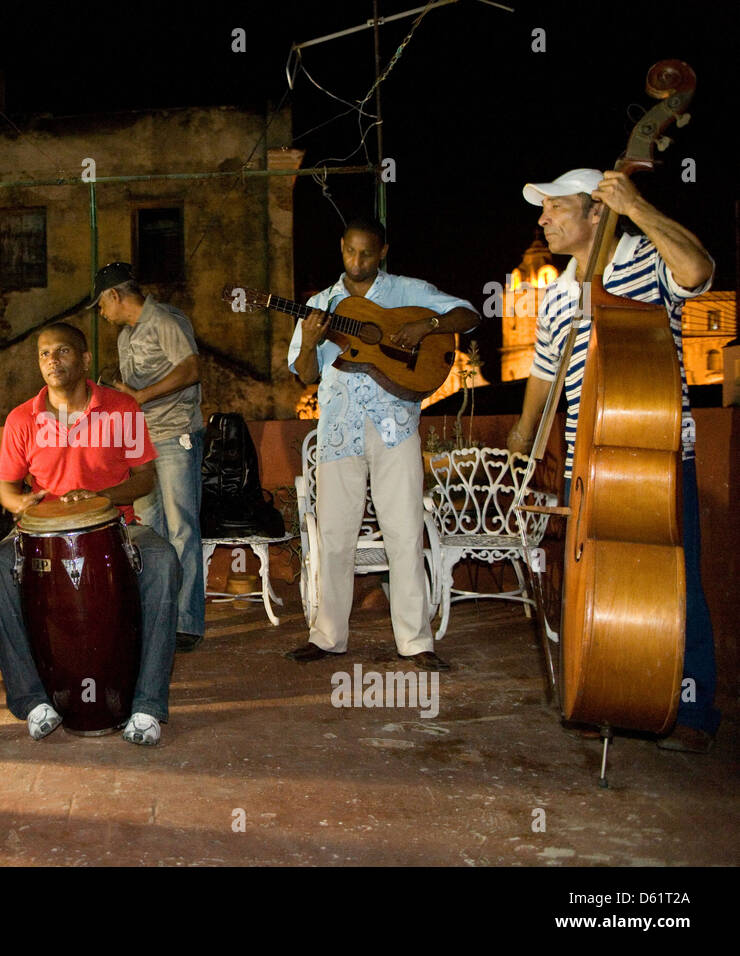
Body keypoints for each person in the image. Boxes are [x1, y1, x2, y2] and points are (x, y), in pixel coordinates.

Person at [507, 168, 720, 753]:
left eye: (554, 208)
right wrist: (523, 436)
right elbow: (544, 375)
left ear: (596, 211)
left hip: (656, 452)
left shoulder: (646, 262)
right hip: (585, 465)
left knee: (677, 580)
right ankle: (605, 692)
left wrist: (639, 207)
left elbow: (699, 271)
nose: (543, 219)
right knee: (597, 584)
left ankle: (695, 708)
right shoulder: (555, 295)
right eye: (543, 210)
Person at [286, 216, 478, 671]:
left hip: (395, 429)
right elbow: (306, 375)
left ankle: (415, 641)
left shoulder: (406, 292)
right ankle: (328, 636)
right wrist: (311, 342)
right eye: (350, 251)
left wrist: (427, 325)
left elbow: (468, 314)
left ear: (383, 252)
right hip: (338, 432)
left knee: (405, 533)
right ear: (341, 248)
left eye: (366, 253)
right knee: (334, 536)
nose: (357, 261)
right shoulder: (320, 304)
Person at [0, 322, 180, 745]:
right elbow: (5, 485)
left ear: (85, 358)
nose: (52, 362)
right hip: (39, 536)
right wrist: (19, 503)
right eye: (43, 354)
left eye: (62, 352)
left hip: (117, 527)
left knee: (164, 560)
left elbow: (144, 477)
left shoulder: (122, 408)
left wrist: (98, 494)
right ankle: (32, 699)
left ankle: (147, 705)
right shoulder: (23, 418)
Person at [93, 262, 206, 653]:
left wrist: (141, 396)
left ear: (114, 295)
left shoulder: (165, 319)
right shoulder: (126, 336)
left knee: (182, 528)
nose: (102, 313)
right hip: (142, 440)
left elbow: (192, 368)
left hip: (175, 434)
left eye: (101, 305)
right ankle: (153, 614)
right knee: (148, 529)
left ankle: (187, 622)